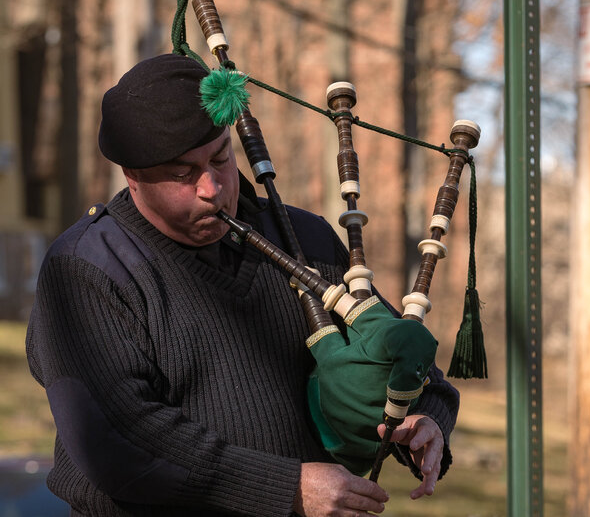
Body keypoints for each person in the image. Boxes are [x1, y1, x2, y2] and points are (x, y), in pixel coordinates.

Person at [26, 54, 460, 517]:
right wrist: (286, 487)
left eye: (219, 158)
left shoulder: (303, 238)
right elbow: (117, 439)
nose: (212, 188)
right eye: (181, 174)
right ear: (133, 177)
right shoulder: (87, 269)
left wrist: (425, 416)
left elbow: (391, 349)